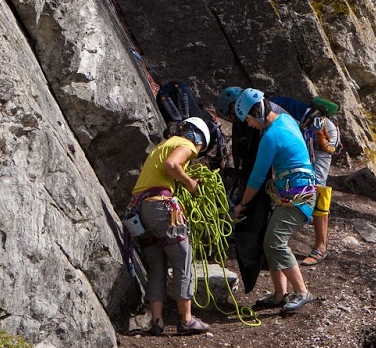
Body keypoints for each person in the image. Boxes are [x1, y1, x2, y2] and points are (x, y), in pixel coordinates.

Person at [232, 89, 317, 315]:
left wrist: (242, 205)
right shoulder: (286, 120)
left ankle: (302, 291)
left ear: (257, 114)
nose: (249, 125)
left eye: (249, 119)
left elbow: (257, 178)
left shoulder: (271, 136)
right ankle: (280, 295)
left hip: (297, 196)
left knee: (275, 242)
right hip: (294, 192)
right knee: (269, 241)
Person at [130, 117, 212, 335]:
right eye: (201, 148)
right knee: (183, 258)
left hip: (142, 210)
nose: (196, 153)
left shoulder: (163, 145)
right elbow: (172, 164)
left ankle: (157, 322)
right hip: (161, 207)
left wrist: (183, 178)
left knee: (157, 264)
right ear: (198, 138)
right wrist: (189, 183)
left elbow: (166, 167)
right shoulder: (186, 144)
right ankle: (186, 319)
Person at [299, 97, 341, 265]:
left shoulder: (326, 124)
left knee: (319, 191)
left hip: (321, 155)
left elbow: (330, 147)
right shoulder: (319, 119)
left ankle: (320, 246)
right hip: (312, 151)